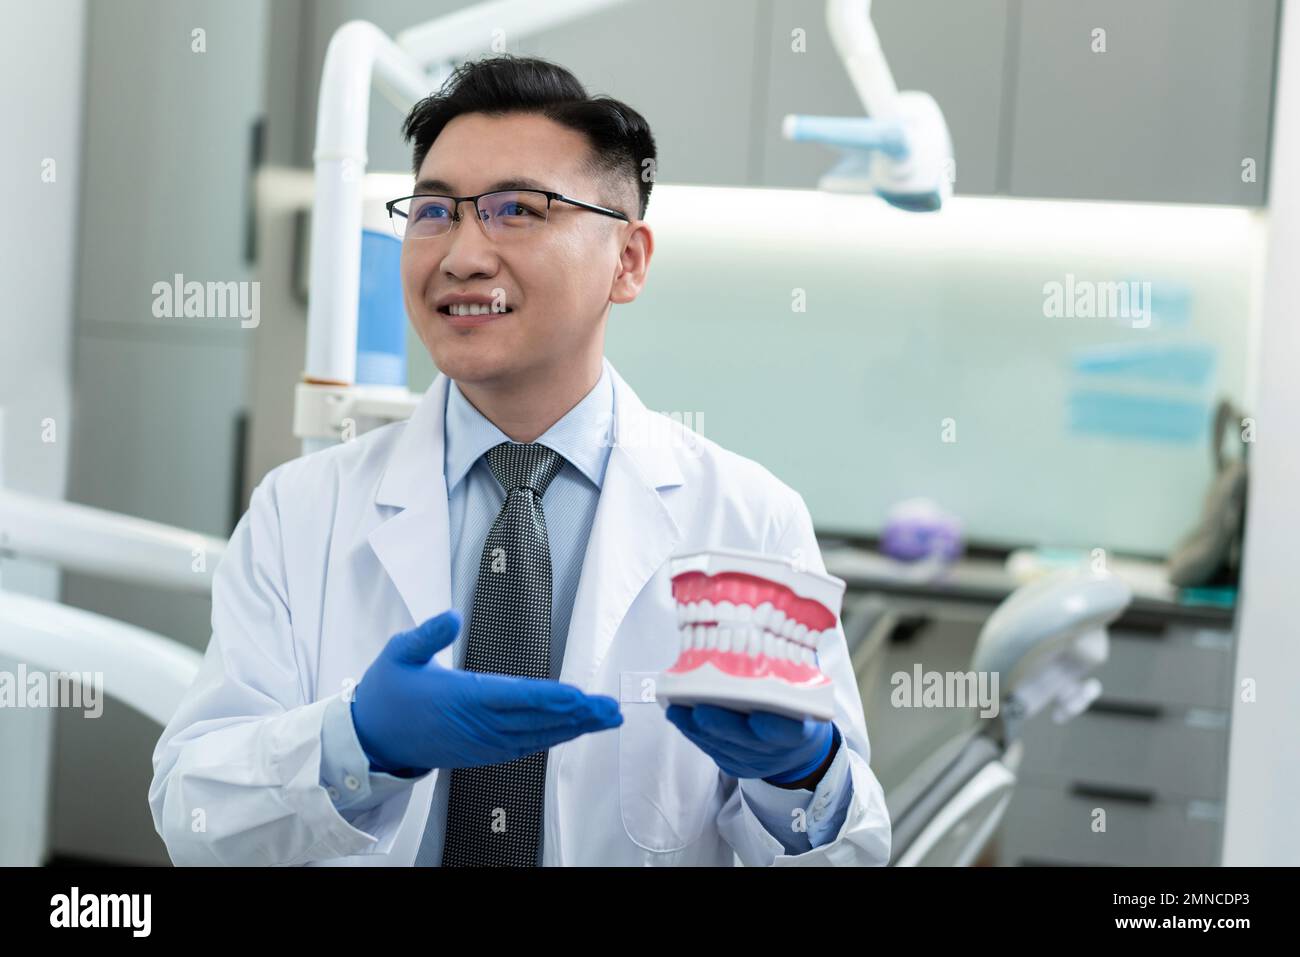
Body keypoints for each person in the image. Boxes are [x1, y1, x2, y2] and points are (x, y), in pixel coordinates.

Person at [149, 55, 891, 866]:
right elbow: (193, 814)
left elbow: (848, 853)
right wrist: (355, 743)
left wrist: (801, 777)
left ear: (629, 260)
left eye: (515, 211)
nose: (461, 254)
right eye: (433, 211)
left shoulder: (749, 517)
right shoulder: (301, 509)